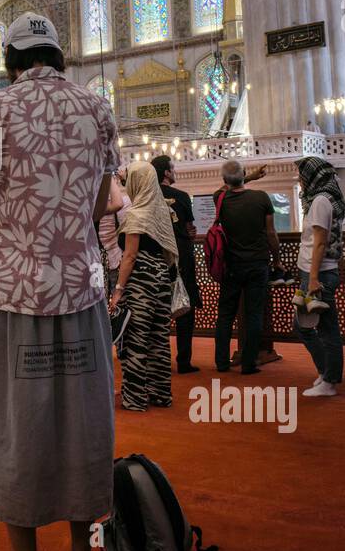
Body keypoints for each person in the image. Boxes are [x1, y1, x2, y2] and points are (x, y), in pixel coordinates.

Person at [0, 12, 117, 551]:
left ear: (10, 63)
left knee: (14, 426)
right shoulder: (97, 109)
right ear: (58, 56)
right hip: (80, 289)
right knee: (82, 420)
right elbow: (101, 201)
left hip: (11, 292)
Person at [111, 163, 178, 411]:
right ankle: (160, 393)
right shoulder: (161, 213)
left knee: (136, 340)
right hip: (161, 279)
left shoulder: (137, 214)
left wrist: (118, 289)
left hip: (140, 280)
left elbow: (129, 257)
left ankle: (135, 397)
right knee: (158, 338)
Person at [213, 159, 282, 376]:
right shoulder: (261, 198)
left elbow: (225, 187)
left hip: (231, 265)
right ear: (242, 173)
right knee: (254, 314)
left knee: (225, 315)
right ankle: (249, 364)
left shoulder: (220, 199)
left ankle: (222, 362)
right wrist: (277, 259)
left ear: (224, 179)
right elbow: (271, 234)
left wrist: (245, 176)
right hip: (257, 263)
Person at [293, 157, 345, 397]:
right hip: (316, 272)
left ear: (312, 177)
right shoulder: (322, 199)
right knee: (306, 326)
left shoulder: (321, 201)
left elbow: (320, 242)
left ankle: (329, 380)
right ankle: (326, 374)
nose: (300, 180)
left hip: (320, 273)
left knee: (325, 328)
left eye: (302, 175)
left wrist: (313, 279)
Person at [151, 154, 202, 374]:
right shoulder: (181, 196)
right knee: (185, 305)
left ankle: (157, 360)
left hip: (155, 253)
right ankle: (183, 360)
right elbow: (190, 228)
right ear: (167, 173)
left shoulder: (148, 196)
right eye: (173, 168)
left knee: (157, 305)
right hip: (181, 253)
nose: (176, 171)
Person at [97, 173, 131, 297]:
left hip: (95, 262)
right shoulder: (123, 202)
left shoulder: (92, 205)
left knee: (98, 301)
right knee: (119, 304)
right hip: (116, 260)